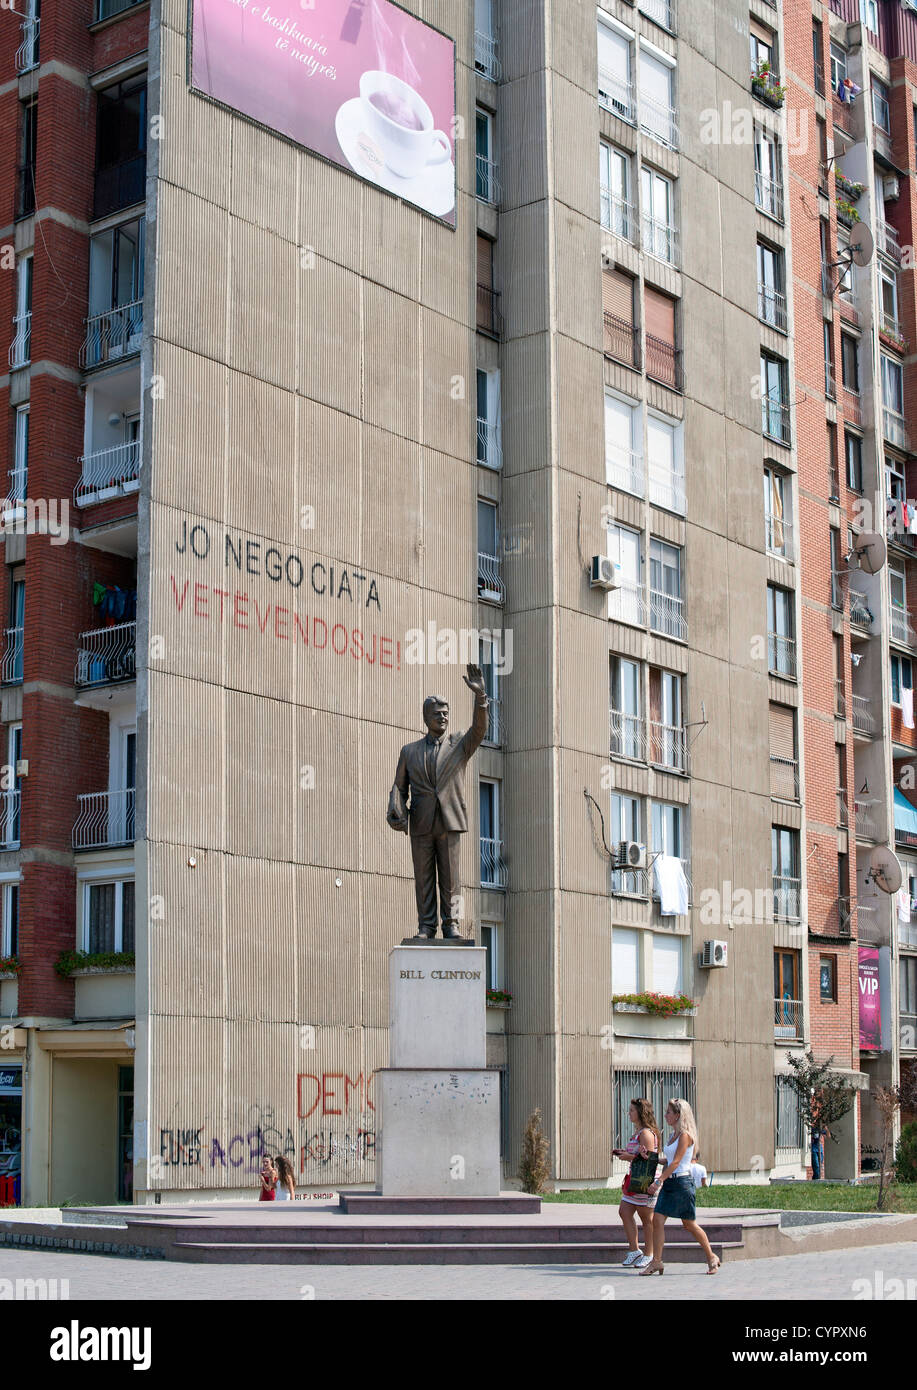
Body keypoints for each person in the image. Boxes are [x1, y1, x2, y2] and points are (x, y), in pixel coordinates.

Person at [640, 1098, 720, 1276]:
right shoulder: (672, 1136)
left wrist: (658, 1181)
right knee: (657, 1220)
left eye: (668, 1112)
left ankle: (711, 1257)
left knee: (689, 1224)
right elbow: (667, 1160)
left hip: (682, 1184)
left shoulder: (685, 1136)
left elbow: (676, 1162)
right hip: (670, 1183)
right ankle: (657, 1262)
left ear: (678, 1115)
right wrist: (650, 1157)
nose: (665, 1115)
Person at [613, 1098, 661, 1269]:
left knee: (646, 1218)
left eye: (632, 1110)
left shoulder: (646, 1134)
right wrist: (626, 1154)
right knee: (624, 1211)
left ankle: (649, 1254)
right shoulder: (637, 1132)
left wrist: (629, 1157)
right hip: (634, 1180)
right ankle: (634, 1250)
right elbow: (640, 1156)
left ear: (641, 1112)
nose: (629, 1113)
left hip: (645, 1181)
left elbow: (649, 1161)